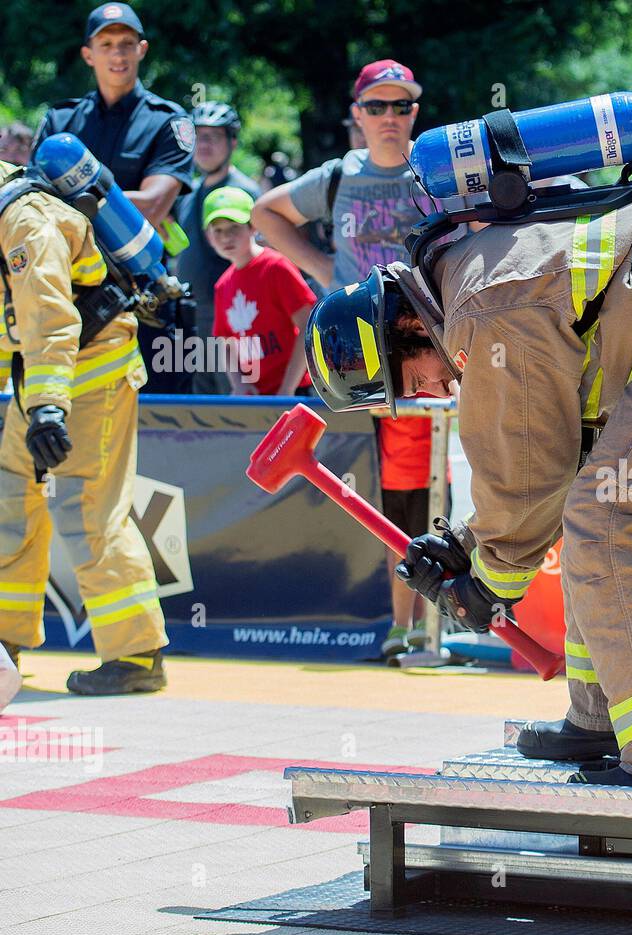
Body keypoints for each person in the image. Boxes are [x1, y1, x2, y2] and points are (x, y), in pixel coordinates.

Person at [306, 174, 632, 790]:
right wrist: (469, 546)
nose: (428, 394)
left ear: (405, 329)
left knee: (615, 522)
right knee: (598, 502)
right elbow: (552, 464)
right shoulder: (473, 282)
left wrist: (486, 586)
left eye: (410, 381)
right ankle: (599, 715)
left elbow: (523, 473)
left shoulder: (482, 309)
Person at [253, 59, 434, 663]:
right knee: (376, 497)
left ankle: (422, 628)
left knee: (421, 495)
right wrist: (327, 272)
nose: (389, 118)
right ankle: (400, 625)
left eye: (401, 106)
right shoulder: (338, 177)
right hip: (355, 367)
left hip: (425, 361)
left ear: (415, 111)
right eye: (376, 107)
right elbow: (265, 214)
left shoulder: (434, 169)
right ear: (357, 114)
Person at [0, 159, 167, 694]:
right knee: (10, 500)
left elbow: (49, 318)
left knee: (88, 507)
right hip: (42, 380)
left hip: (88, 376)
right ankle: (4, 640)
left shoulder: (29, 222)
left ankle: (137, 655)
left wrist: (48, 408)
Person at [33, 3, 196, 395]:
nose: (117, 54)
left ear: (142, 49)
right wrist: (107, 202)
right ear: (89, 53)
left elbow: (155, 206)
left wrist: (70, 196)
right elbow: (34, 207)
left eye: (126, 43)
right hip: (72, 298)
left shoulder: (169, 121)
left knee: (163, 431)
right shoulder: (60, 122)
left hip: (148, 303)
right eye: (106, 43)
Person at [173, 102, 261, 393]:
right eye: (199, 135)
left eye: (214, 136)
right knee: (200, 409)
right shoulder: (186, 194)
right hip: (192, 321)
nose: (204, 144)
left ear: (232, 142)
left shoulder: (246, 192)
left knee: (235, 406)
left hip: (237, 322)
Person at [206, 188, 315, 396]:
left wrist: (287, 388)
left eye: (234, 228)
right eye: (217, 230)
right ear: (208, 237)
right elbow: (225, 342)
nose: (226, 237)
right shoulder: (222, 285)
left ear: (253, 227)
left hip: (294, 391)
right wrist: (238, 384)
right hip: (255, 395)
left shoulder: (275, 267)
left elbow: (308, 326)